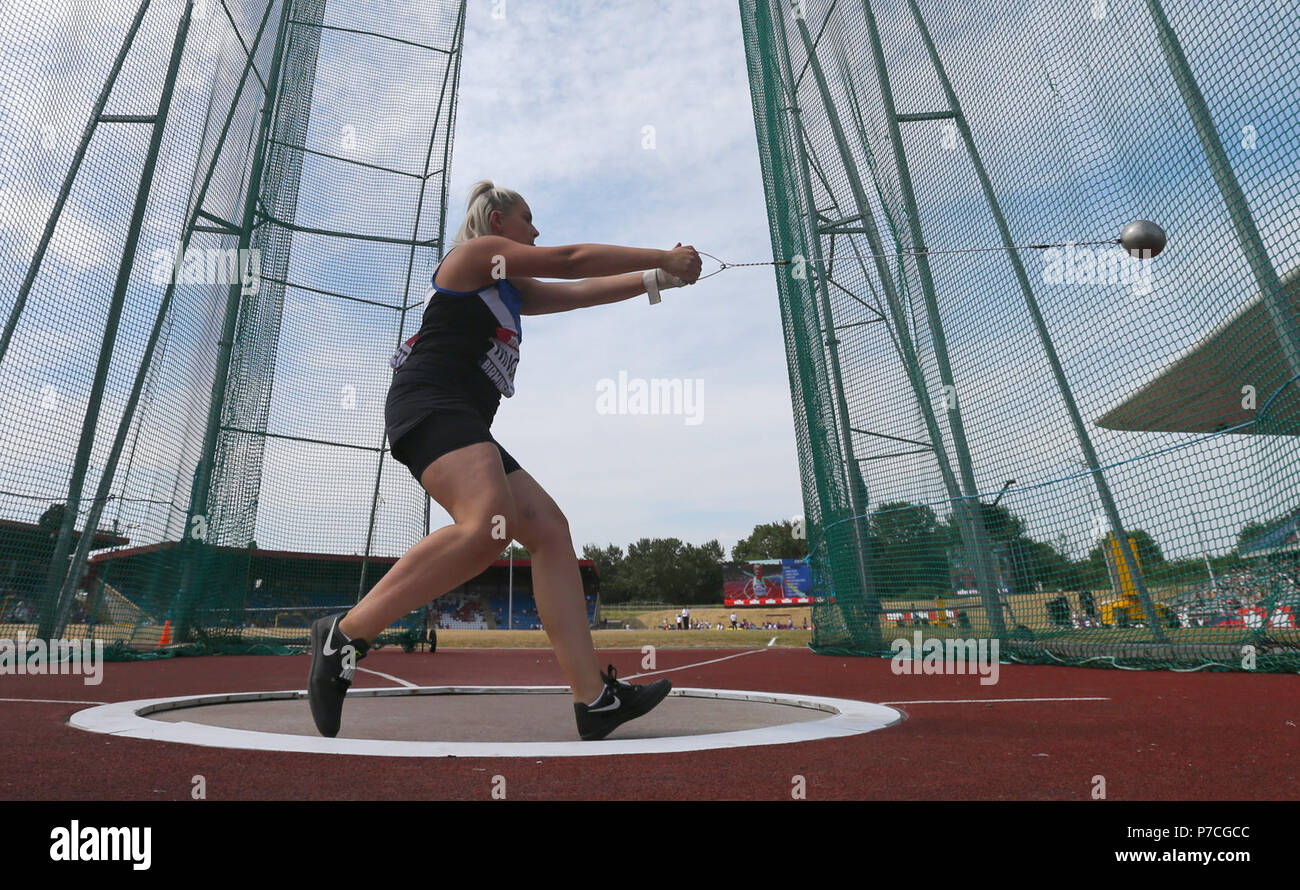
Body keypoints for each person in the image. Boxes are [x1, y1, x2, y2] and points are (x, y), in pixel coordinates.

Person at [308, 181, 700, 741]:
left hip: (463, 418)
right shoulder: (471, 258)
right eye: (528, 219)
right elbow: (570, 260)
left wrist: (654, 279)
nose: (536, 232)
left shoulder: (511, 292)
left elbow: (579, 290)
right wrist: (662, 253)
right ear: (496, 220)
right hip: (431, 404)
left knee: (548, 529)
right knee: (485, 527)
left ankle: (595, 699)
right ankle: (344, 635)